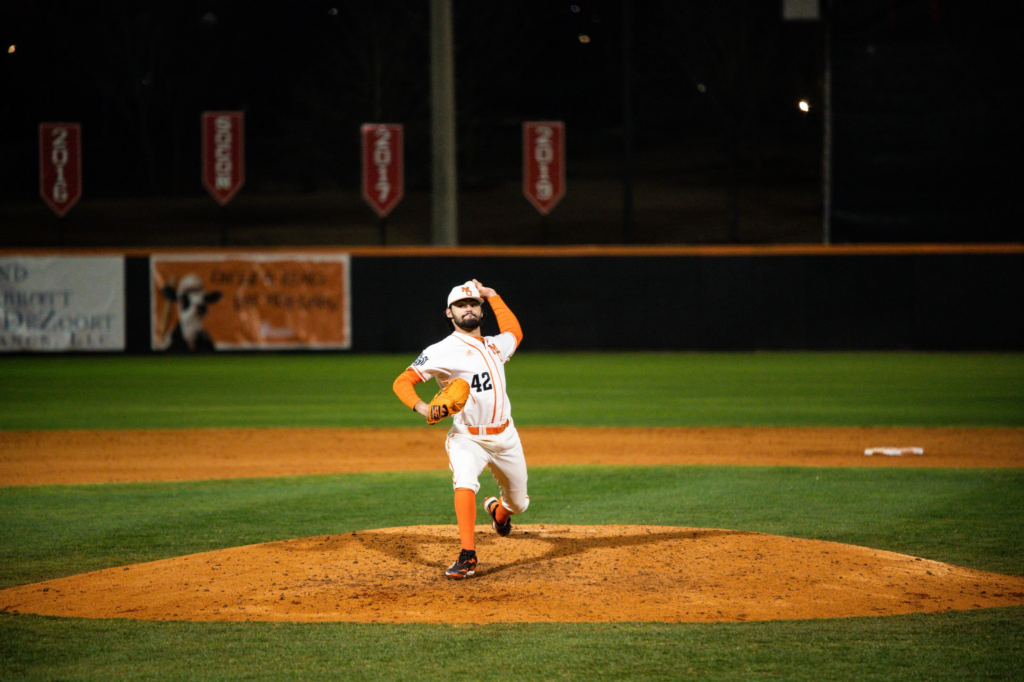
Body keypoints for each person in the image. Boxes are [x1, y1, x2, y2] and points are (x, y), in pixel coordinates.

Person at [392, 279, 528, 579]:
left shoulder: (494, 344)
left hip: (506, 436)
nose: (468, 309)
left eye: (473, 304)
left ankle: (499, 514)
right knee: (465, 481)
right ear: (449, 313)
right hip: (468, 437)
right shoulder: (441, 351)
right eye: (460, 305)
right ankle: (468, 555)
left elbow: (514, 333)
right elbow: (402, 382)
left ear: (481, 311)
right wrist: (423, 407)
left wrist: (493, 295)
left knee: (518, 504)